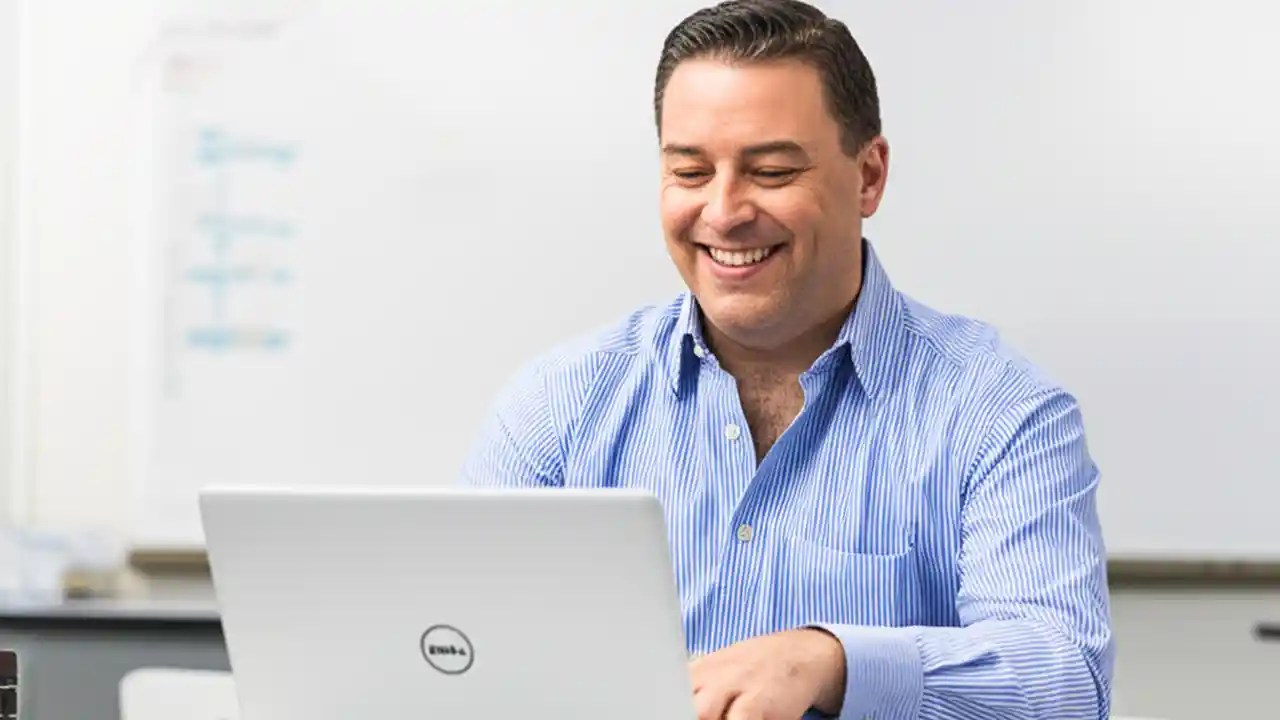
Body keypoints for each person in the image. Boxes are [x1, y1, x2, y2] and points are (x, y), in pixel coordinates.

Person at [460, 0, 1113, 718]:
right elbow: (457, 658)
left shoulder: (1000, 410)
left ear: (868, 177)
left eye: (770, 171)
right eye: (690, 171)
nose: (724, 210)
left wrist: (836, 661)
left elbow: (1065, 684)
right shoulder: (558, 406)